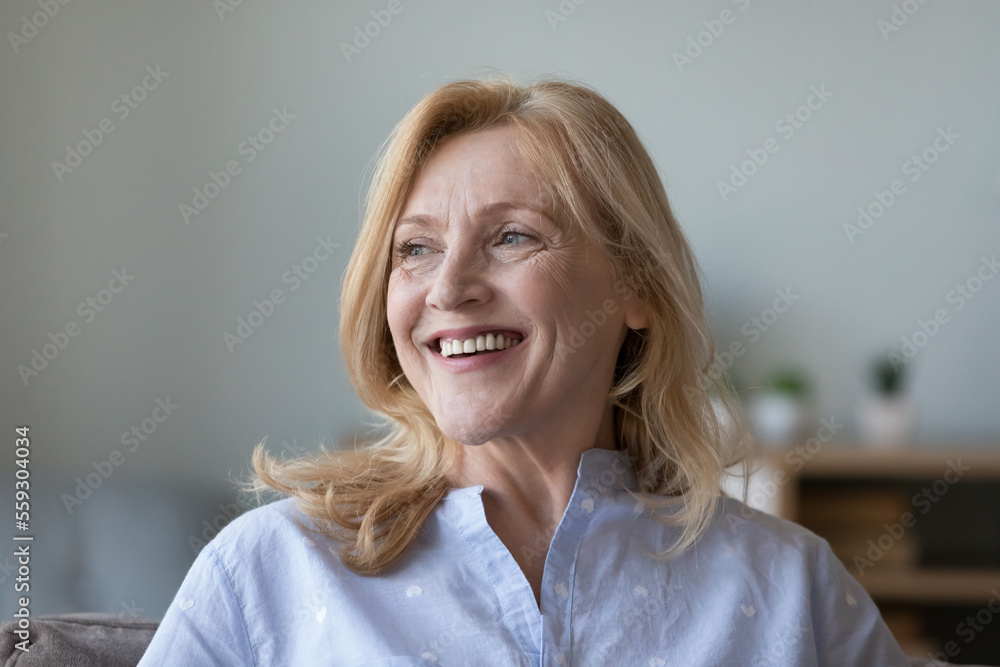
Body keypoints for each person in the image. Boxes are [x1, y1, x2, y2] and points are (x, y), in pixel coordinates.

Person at [139, 73, 910, 665]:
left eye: (512, 236)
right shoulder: (268, 568)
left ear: (635, 285)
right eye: (416, 248)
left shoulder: (791, 588)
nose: (448, 288)